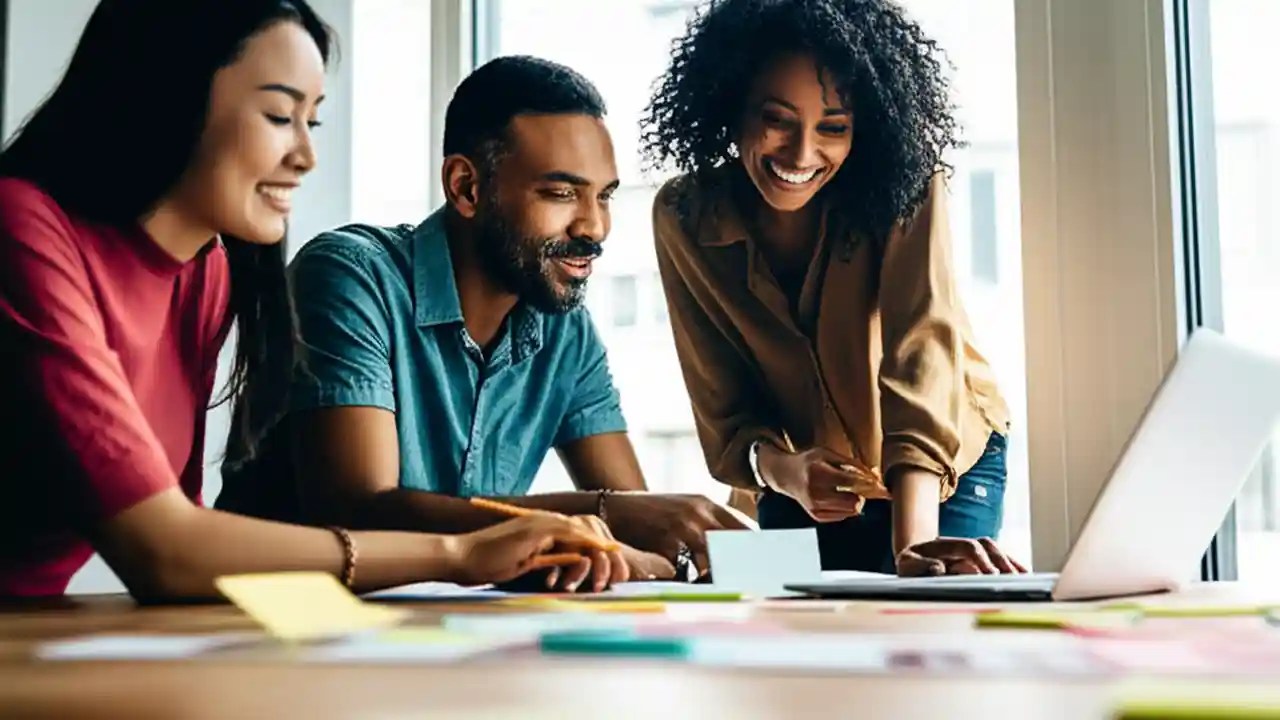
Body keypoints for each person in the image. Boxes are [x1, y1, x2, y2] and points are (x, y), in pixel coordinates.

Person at [0, 0, 623, 601]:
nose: (305, 157)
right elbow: (166, 552)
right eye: (279, 117)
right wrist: (460, 554)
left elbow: (194, 547)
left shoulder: (204, 271)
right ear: (169, 98)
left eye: (313, 121)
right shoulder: (21, 227)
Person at [217, 55, 745, 582]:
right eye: (561, 194)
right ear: (466, 187)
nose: (595, 226)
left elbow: (636, 523)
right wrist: (600, 515)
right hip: (268, 623)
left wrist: (667, 546)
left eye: (603, 196)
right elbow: (357, 508)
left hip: (449, 633)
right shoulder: (350, 275)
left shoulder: (564, 327)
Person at [641, 0, 1026, 576]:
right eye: (776, 119)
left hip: (942, 466)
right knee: (790, 637)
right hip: (799, 477)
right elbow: (727, 410)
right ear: (732, 106)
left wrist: (912, 546)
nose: (802, 153)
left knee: (925, 627)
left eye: (833, 128)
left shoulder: (907, 189)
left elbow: (920, 357)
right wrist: (786, 474)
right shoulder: (684, 216)